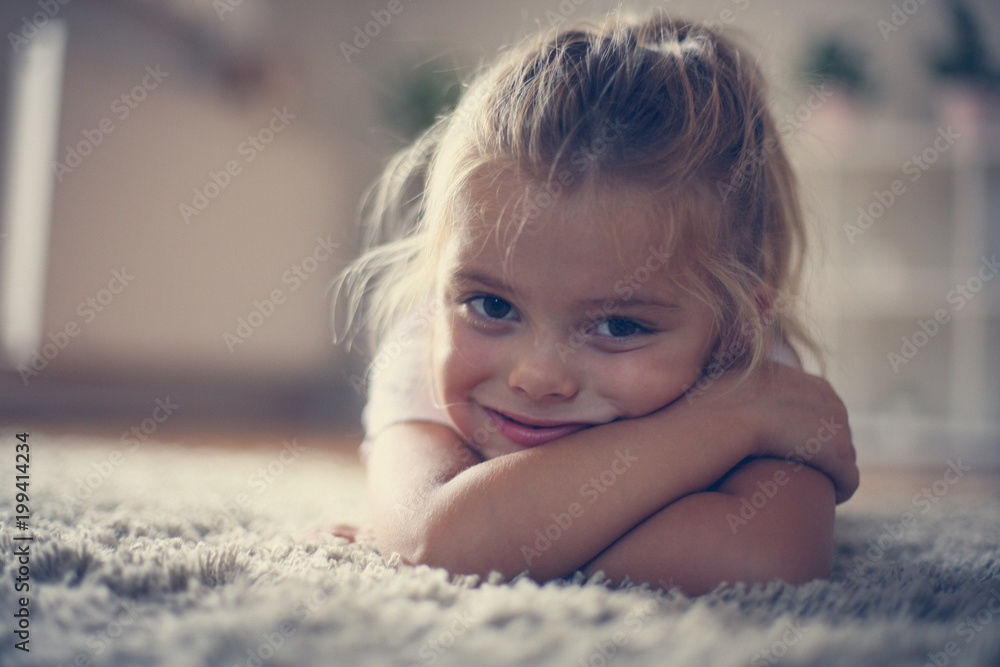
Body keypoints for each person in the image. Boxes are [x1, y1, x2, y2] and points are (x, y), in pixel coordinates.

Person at [334, 13, 859, 595]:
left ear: (734, 328)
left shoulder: (749, 367)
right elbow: (436, 543)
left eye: (618, 324)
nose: (536, 376)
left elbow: (766, 559)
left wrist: (499, 535)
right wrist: (727, 423)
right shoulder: (426, 339)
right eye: (493, 306)